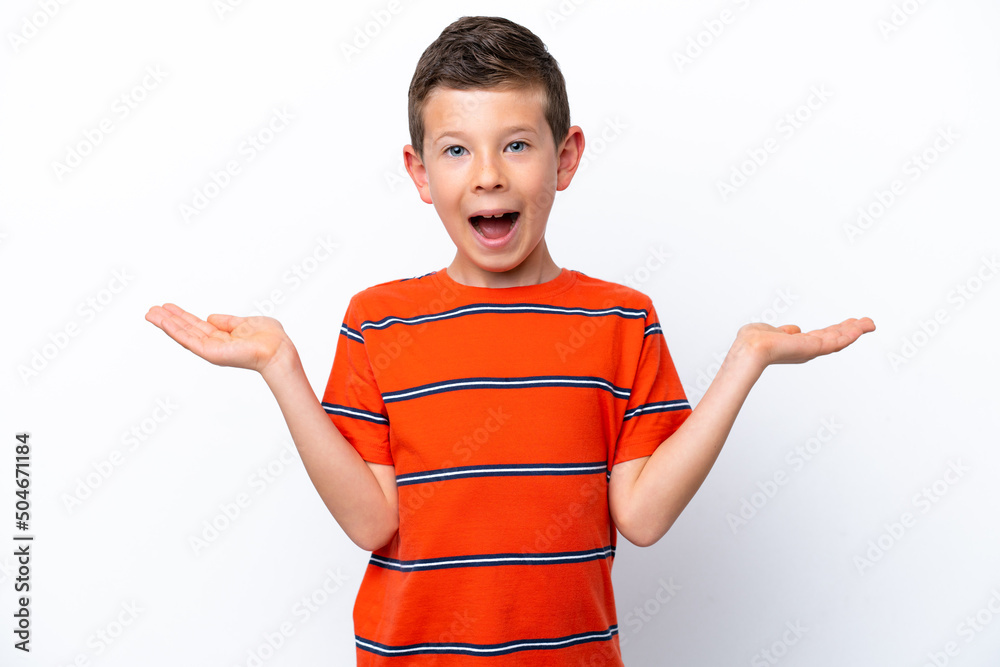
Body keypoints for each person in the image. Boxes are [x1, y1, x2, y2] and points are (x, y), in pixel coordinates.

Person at [145, 15, 875, 666]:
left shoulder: (622, 320)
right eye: (456, 150)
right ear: (420, 172)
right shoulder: (379, 321)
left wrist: (744, 363)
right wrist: (281, 368)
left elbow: (644, 516)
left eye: (517, 144)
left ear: (565, 158)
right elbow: (372, 520)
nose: (488, 176)